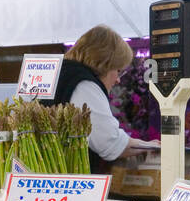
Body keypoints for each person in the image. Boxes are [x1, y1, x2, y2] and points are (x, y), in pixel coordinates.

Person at [48, 25, 159, 174]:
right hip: (65, 184)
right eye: (118, 70)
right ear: (104, 64)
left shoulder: (55, 73)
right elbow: (110, 143)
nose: (118, 80)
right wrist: (150, 146)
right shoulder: (84, 85)